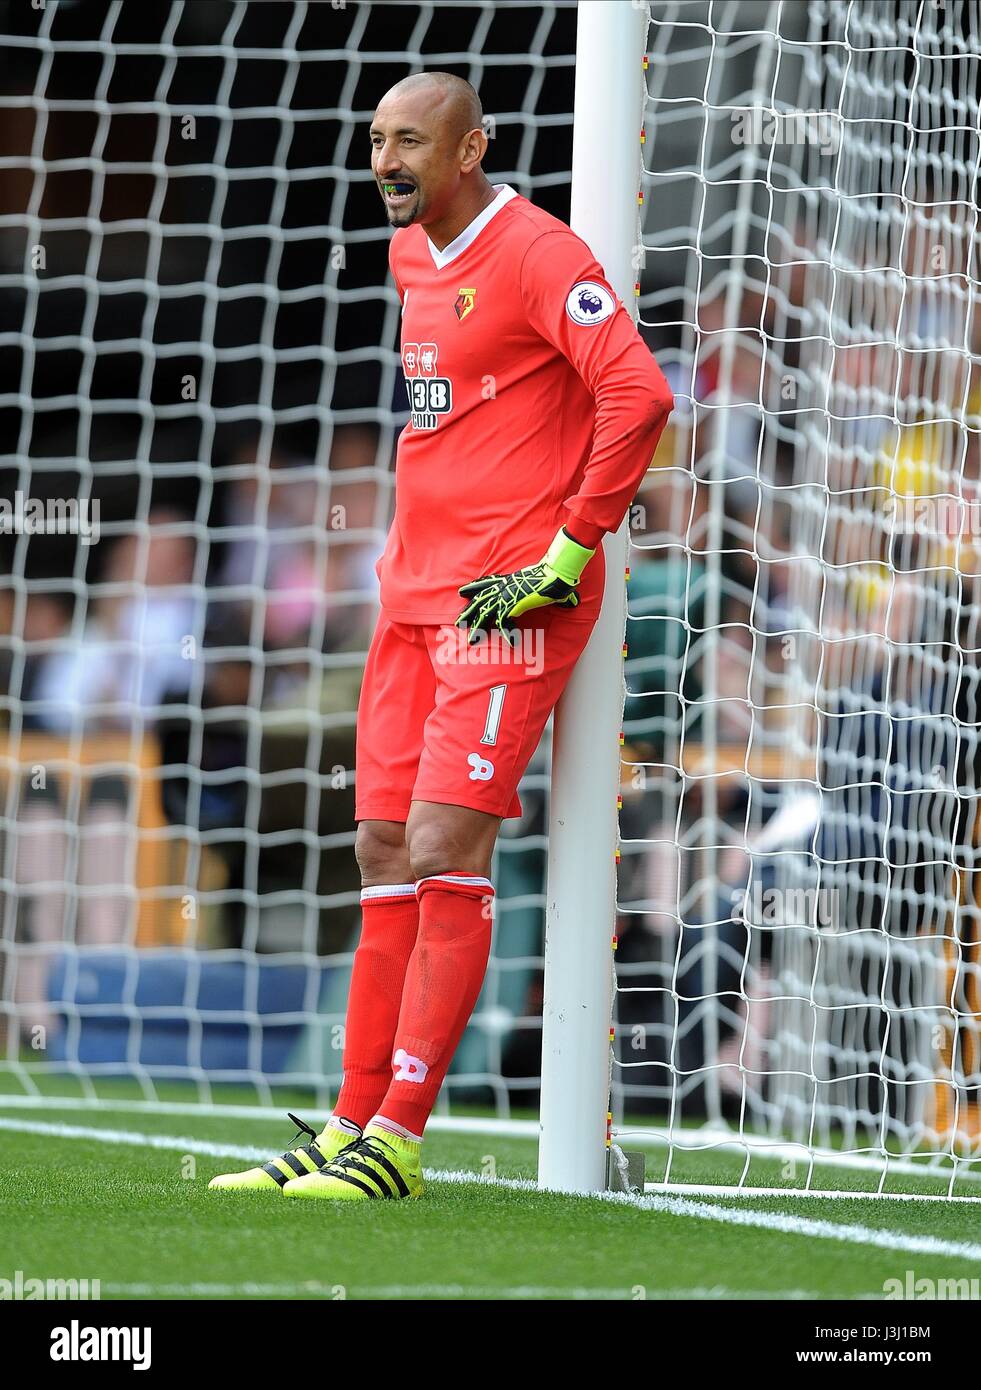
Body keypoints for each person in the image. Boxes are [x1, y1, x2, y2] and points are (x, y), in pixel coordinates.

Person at [210, 70, 673, 1201]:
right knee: (376, 852)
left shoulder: (540, 254)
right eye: (376, 140)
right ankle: (346, 1121)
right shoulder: (412, 255)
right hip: (410, 600)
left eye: (410, 142)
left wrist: (566, 555)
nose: (385, 162)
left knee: (441, 850)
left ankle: (400, 1139)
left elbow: (640, 394)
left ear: (471, 149)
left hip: (503, 606)